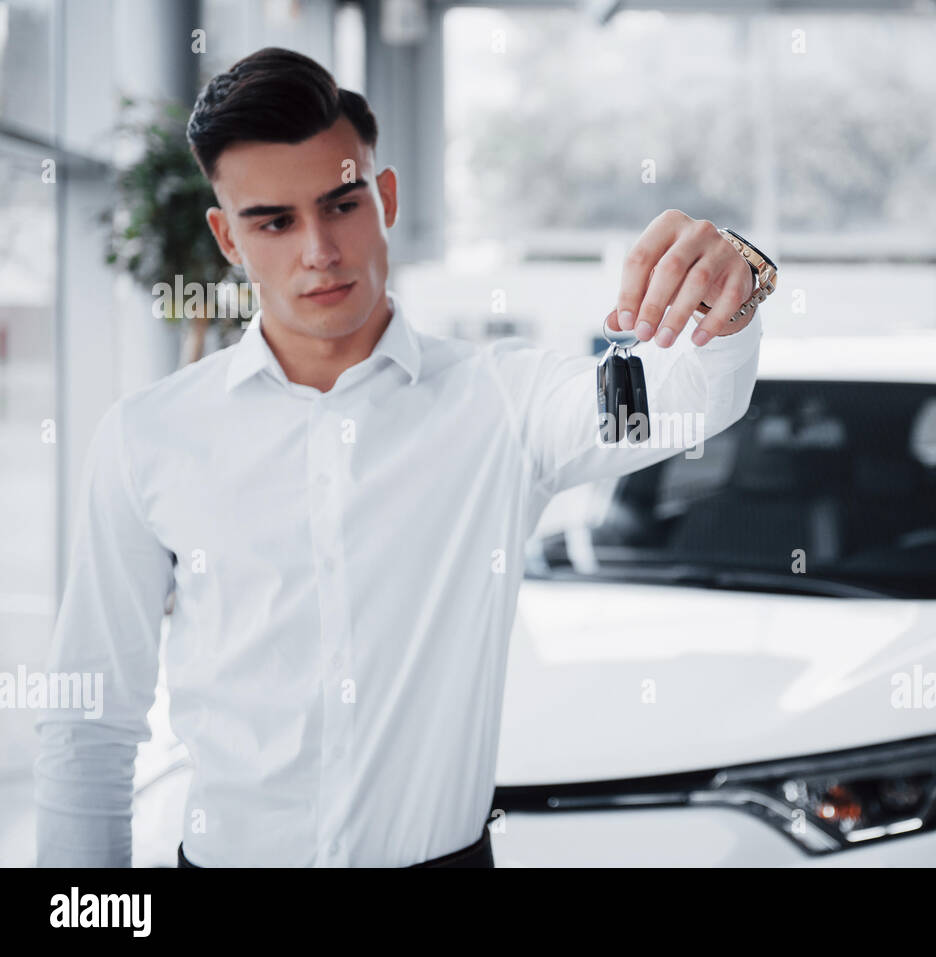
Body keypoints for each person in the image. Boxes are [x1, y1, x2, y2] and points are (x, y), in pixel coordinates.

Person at [33, 47, 765, 867]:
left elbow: (690, 400)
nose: (318, 249)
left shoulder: (504, 402)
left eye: (340, 205)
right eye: (273, 221)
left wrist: (730, 288)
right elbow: (89, 719)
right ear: (227, 237)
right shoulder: (149, 437)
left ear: (383, 197)